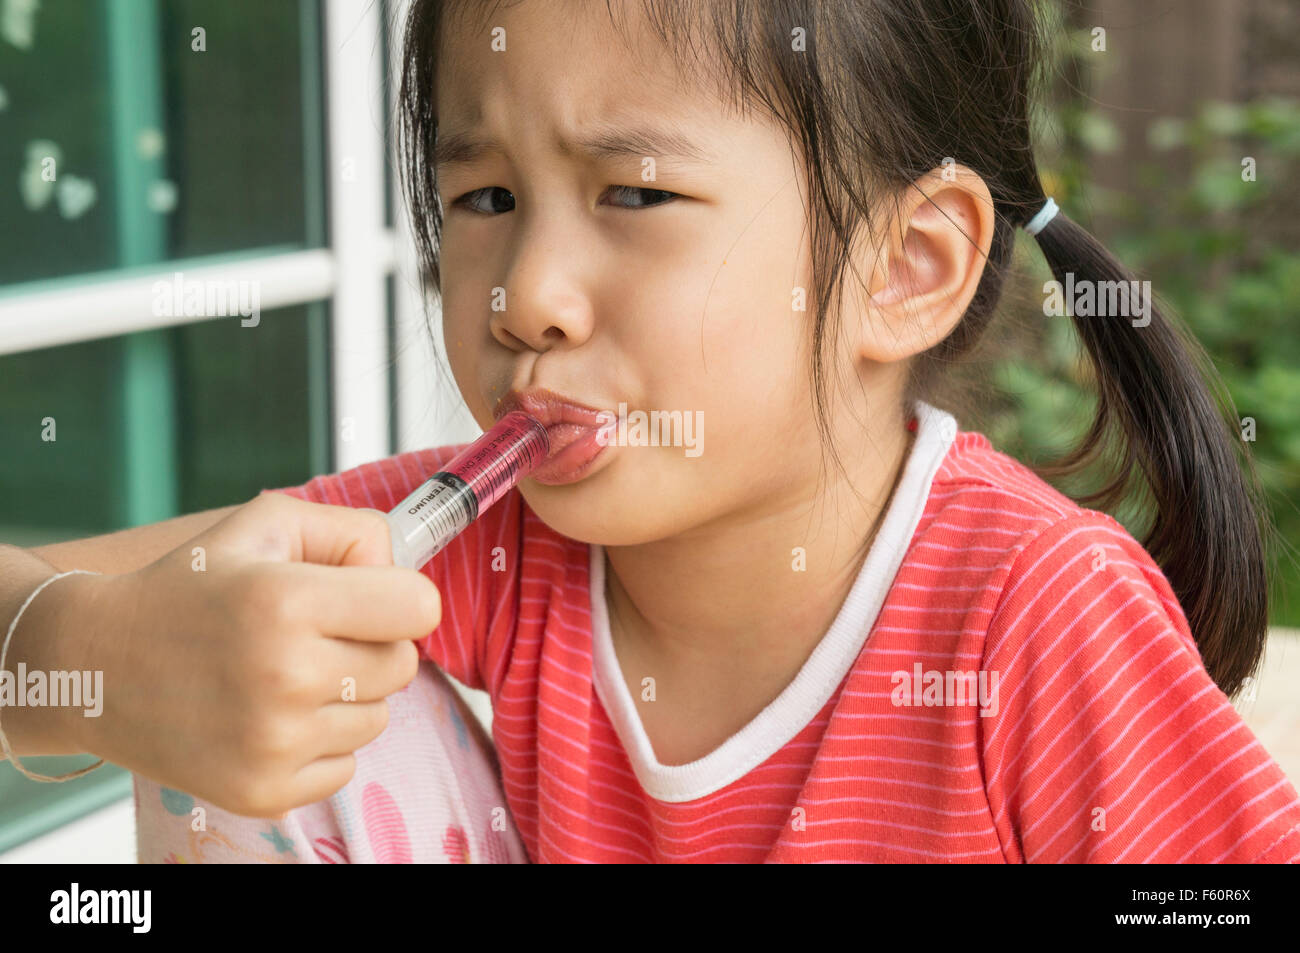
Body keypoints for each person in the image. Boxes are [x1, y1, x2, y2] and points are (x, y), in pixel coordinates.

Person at [3, 0, 1297, 862]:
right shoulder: (485, 540)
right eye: (487, 194)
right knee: (275, 644)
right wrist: (94, 653)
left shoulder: (1032, 613)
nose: (527, 296)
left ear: (907, 264)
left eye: (636, 191)